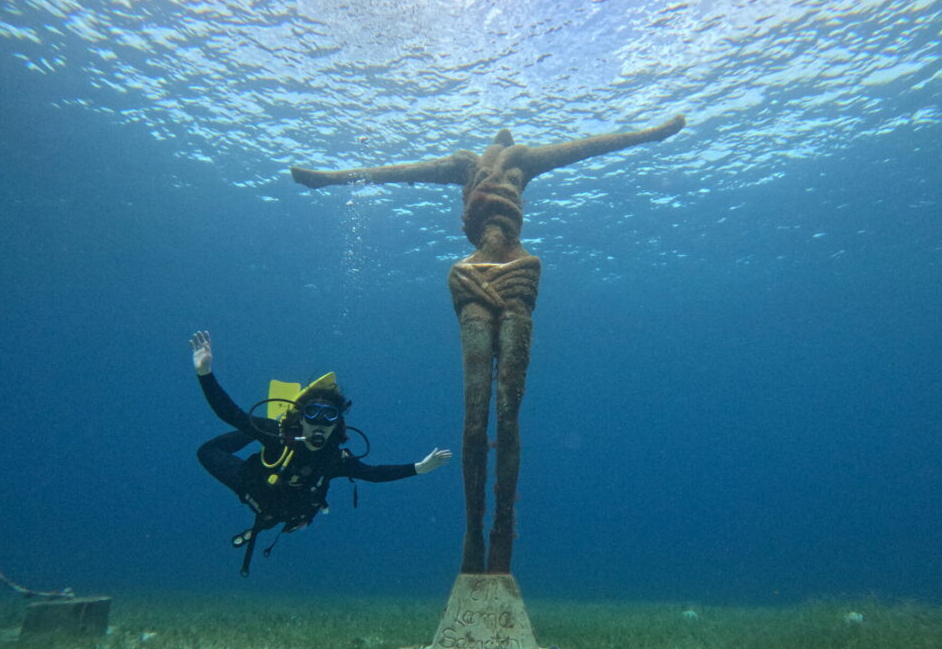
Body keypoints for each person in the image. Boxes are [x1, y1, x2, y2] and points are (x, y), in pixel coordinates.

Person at [291, 114, 685, 574]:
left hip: (519, 270)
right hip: (471, 272)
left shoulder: (517, 159)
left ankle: (501, 531)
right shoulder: (468, 163)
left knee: (507, 415)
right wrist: (327, 180)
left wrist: (653, 133)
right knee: (475, 416)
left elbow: (588, 146)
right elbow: (399, 171)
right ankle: (473, 533)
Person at [190, 330, 451, 574]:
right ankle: (256, 429)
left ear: (337, 423)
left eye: (329, 417)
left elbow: (373, 474)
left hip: (292, 511)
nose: (319, 424)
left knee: (274, 513)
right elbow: (230, 413)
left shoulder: (334, 459)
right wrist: (205, 373)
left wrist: (419, 467)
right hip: (254, 485)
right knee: (208, 450)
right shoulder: (282, 436)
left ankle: (256, 431)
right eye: (312, 414)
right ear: (301, 419)